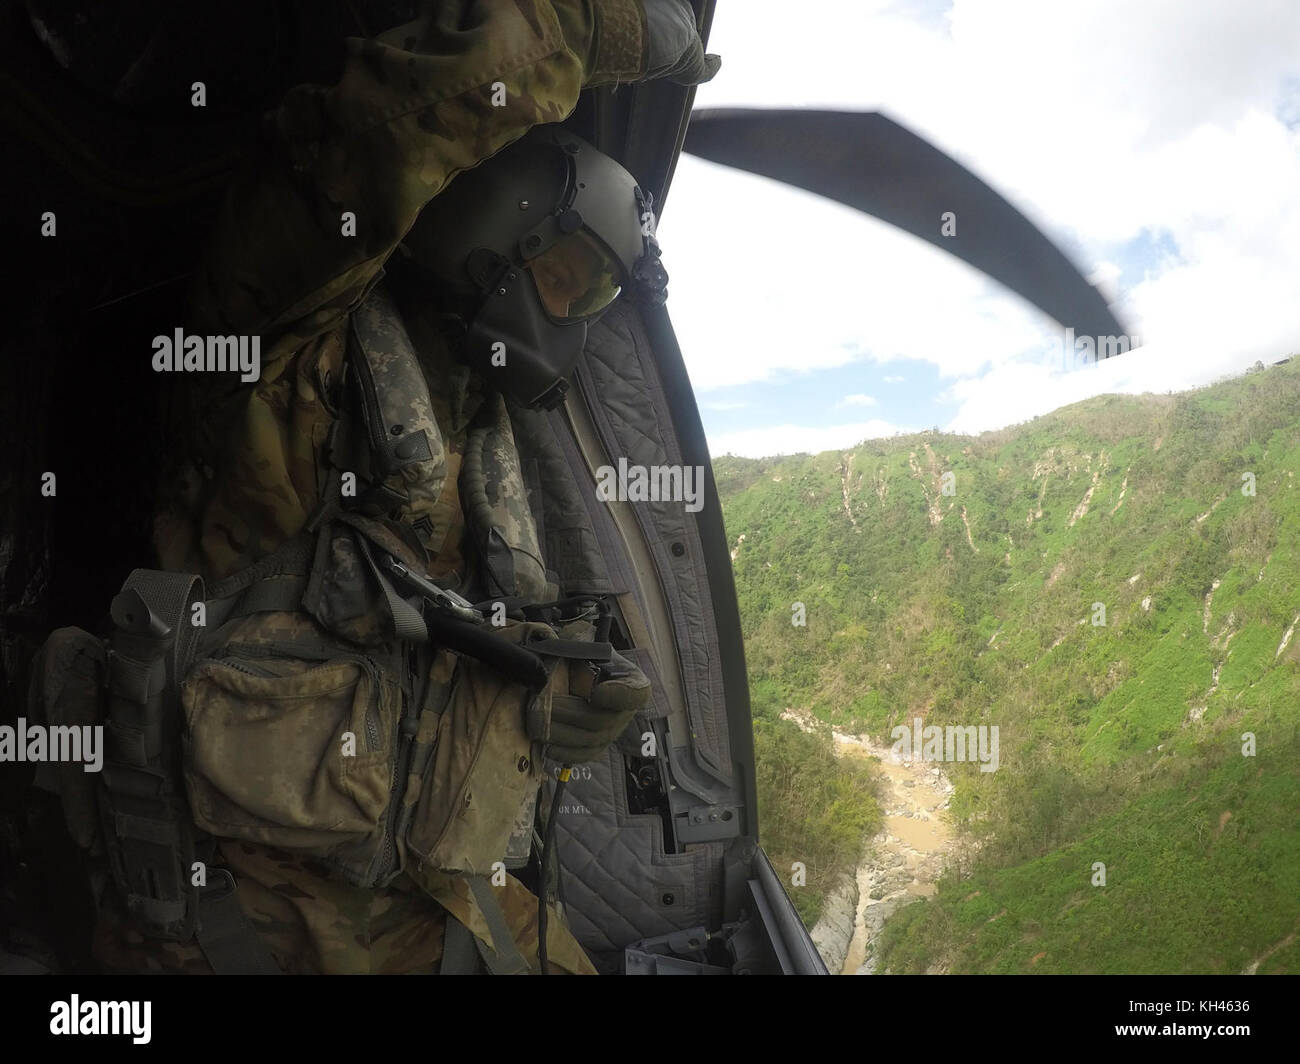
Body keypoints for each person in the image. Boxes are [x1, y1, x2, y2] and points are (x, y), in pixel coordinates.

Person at [89, 0, 719, 975]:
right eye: (564, 278)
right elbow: (363, 145)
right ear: (489, 225)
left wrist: (546, 698)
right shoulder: (283, 349)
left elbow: (403, 658)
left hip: (419, 894)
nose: (573, 320)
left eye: (592, 297)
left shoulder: (472, 425)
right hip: (227, 920)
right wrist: (583, 29)